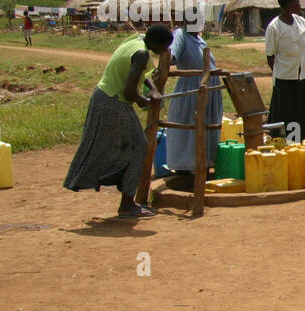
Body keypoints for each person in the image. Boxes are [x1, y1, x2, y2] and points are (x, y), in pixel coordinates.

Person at [64, 23, 172, 218]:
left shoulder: (136, 42)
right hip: (114, 102)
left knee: (117, 145)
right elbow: (129, 92)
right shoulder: (142, 55)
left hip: (105, 97)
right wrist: (144, 101)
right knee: (139, 146)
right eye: (164, 47)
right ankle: (128, 204)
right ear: (156, 43)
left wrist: (153, 89)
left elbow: (137, 73)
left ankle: (126, 197)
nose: (165, 51)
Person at [165, 20, 224, 183]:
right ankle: (184, 165)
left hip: (209, 88)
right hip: (193, 87)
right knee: (188, 124)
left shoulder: (198, 38)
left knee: (207, 124)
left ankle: (204, 161)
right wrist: (165, 53)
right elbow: (171, 57)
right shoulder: (180, 35)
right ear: (185, 22)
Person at [265, 0, 305, 142]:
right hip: (286, 77)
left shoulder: (301, 22)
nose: (300, 4)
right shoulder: (274, 27)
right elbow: (270, 56)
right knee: (287, 111)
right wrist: (280, 73)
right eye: (297, 1)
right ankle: (287, 141)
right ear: (288, 5)